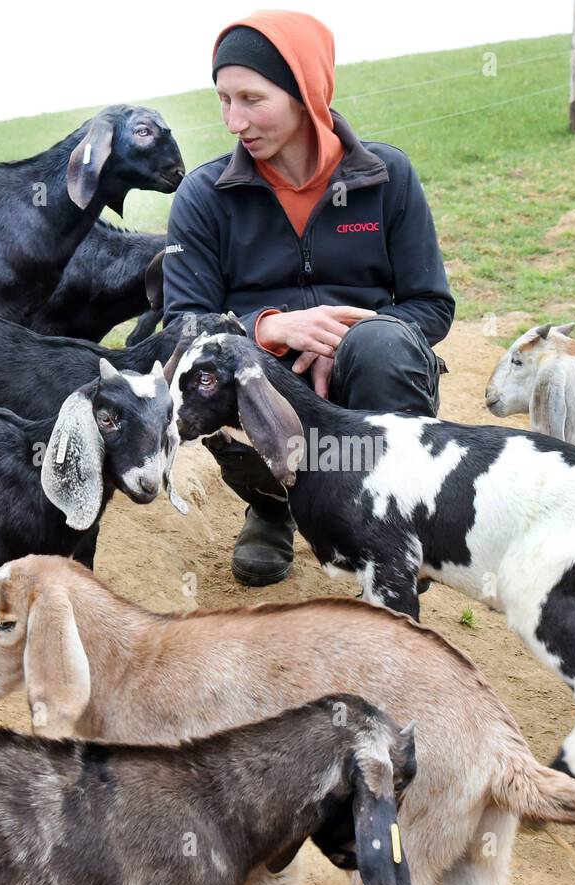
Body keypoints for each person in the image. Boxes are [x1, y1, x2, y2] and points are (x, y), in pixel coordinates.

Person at [162, 10, 454, 586]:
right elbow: (182, 325)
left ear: (306, 93)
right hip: (265, 381)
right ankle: (274, 507)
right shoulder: (203, 195)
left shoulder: (387, 176)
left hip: (370, 378)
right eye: (223, 99)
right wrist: (268, 330)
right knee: (235, 372)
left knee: (382, 349)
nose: (232, 120)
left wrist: (344, 337)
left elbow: (431, 305)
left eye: (251, 98)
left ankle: (394, 513)